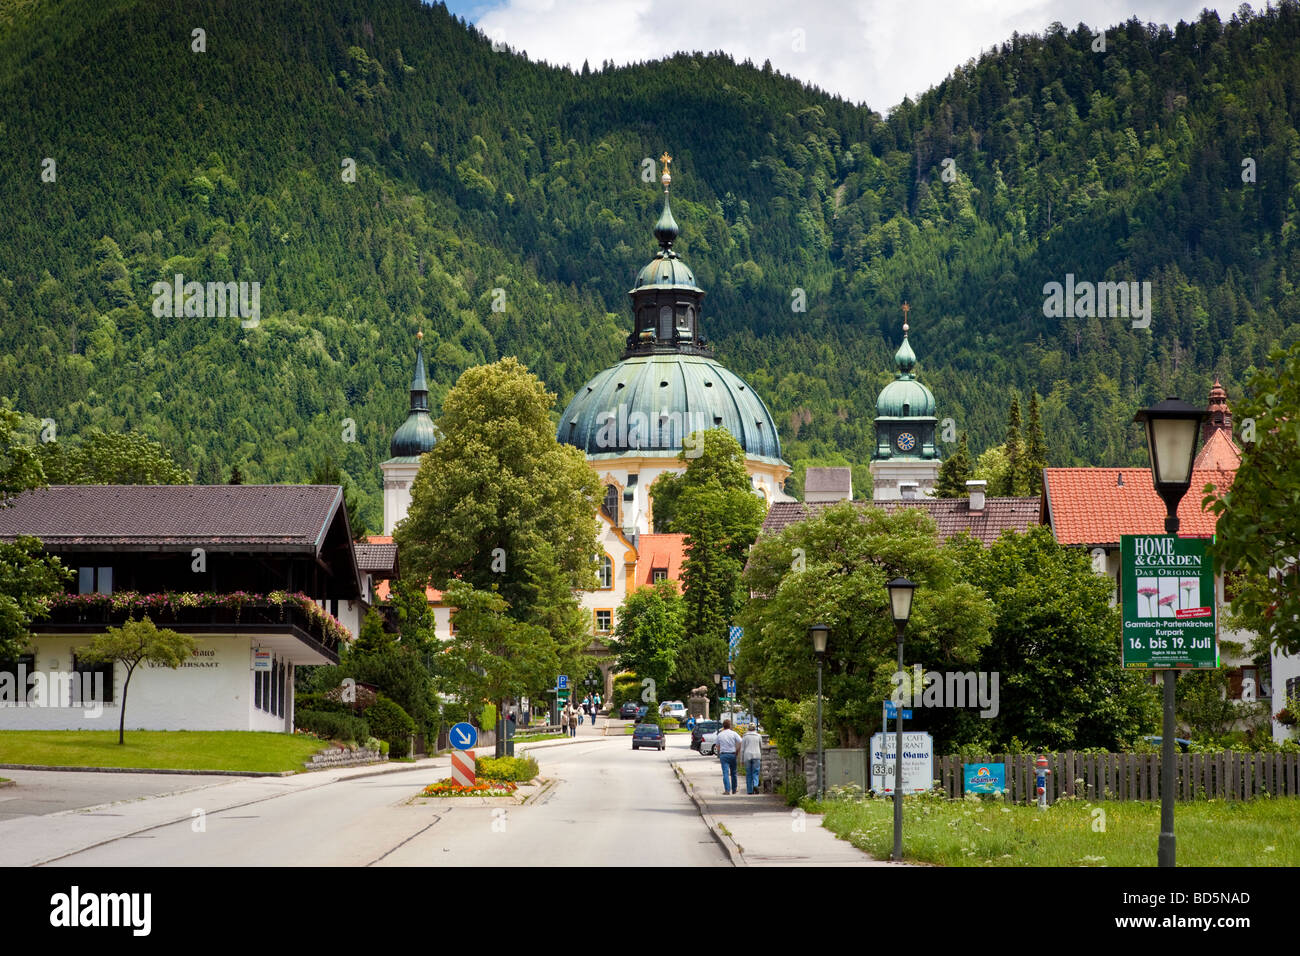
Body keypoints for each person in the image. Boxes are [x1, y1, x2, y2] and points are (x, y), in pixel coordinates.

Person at [715, 719, 742, 795]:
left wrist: (721, 751)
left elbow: (717, 745)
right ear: (730, 726)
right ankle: (734, 789)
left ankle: (727, 790)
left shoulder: (720, 734)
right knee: (733, 773)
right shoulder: (734, 733)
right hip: (732, 754)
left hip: (724, 755)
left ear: (723, 726)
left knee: (725, 773)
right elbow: (740, 741)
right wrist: (737, 750)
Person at [741, 723, 763, 794]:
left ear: (748, 728)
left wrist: (741, 760)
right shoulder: (758, 736)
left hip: (747, 756)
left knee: (748, 773)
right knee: (756, 772)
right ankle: (755, 785)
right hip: (757, 755)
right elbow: (761, 746)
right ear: (755, 728)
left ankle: (750, 790)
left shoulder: (745, 736)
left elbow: (742, 749)